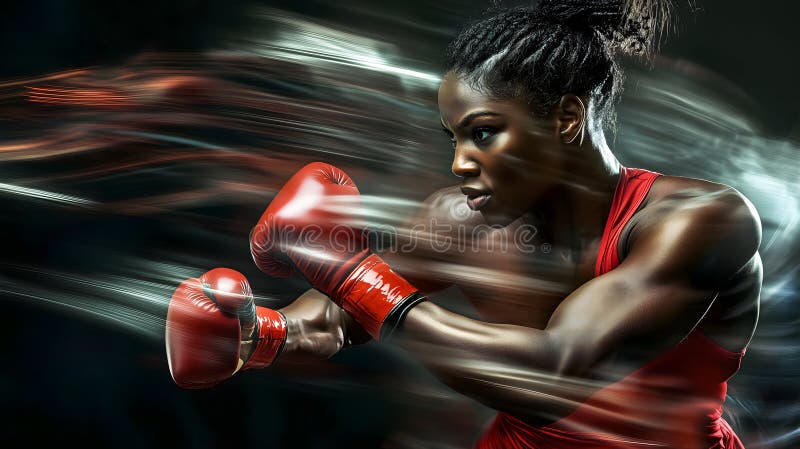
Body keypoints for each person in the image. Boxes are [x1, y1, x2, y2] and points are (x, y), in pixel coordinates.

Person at [166, 1, 762, 447]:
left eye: (483, 133)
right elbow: (337, 317)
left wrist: (346, 270)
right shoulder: (460, 221)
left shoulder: (702, 221)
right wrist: (258, 332)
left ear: (566, 118)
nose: (459, 163)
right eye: (454, 138)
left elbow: (554, 377)